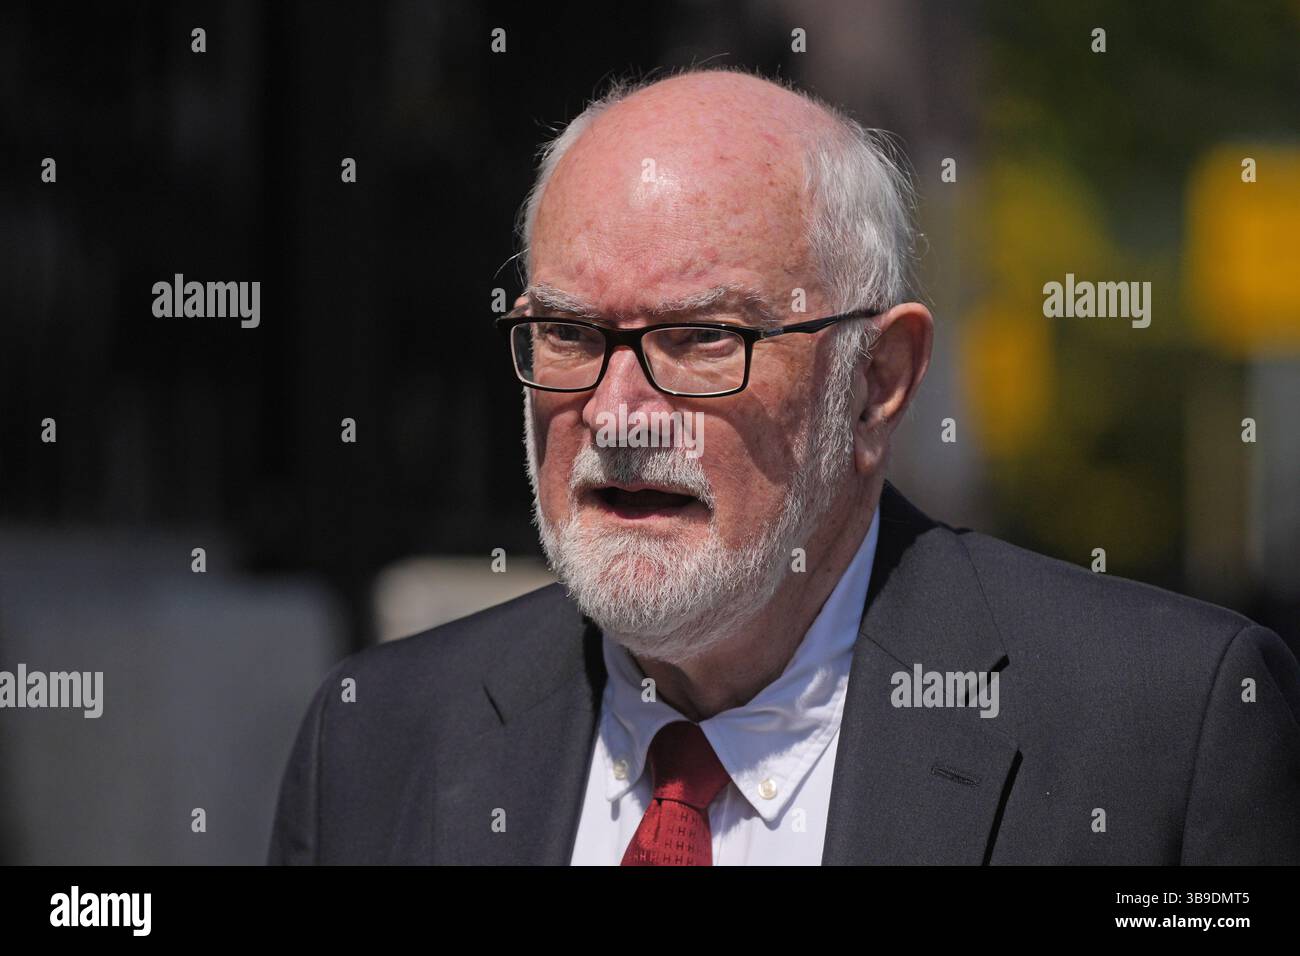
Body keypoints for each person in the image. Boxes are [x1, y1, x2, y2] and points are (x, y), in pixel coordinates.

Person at [268, 68, 1300, 865]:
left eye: (702, 337)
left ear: (875, 379)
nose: (619, 413)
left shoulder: (1162, 728)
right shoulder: (375, 743)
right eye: (572, 334)